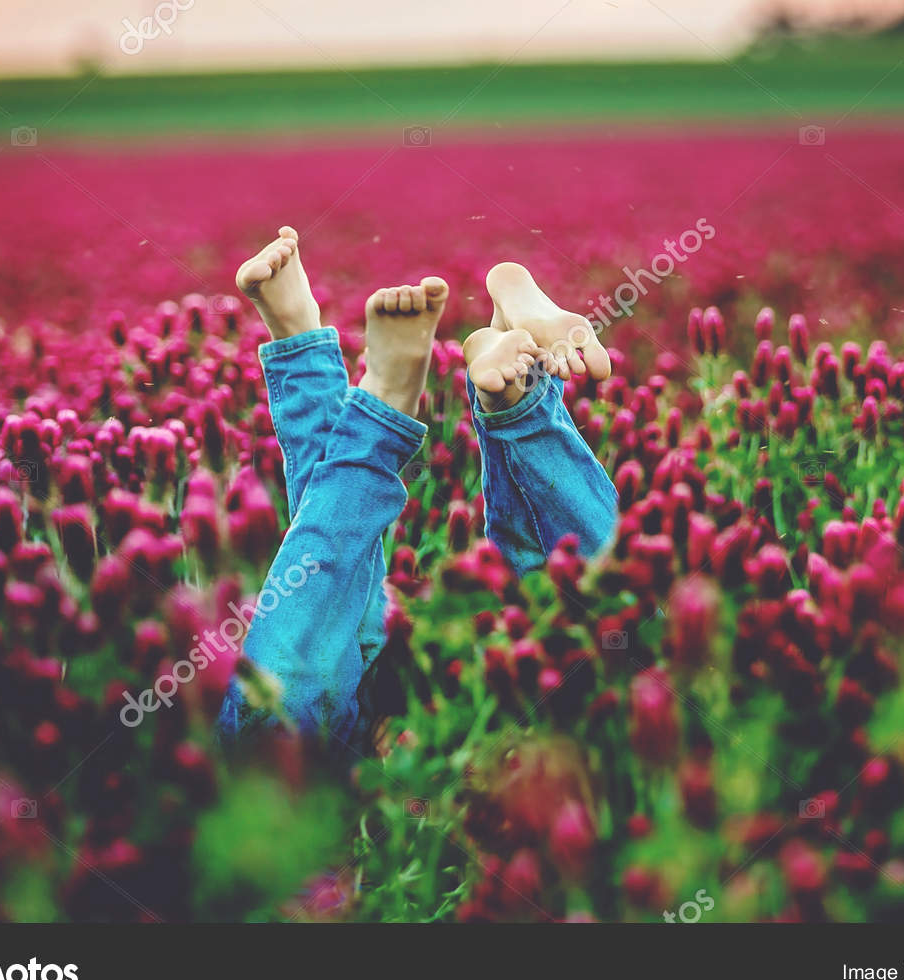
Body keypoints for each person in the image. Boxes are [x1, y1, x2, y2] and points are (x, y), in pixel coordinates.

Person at [216, 227, 619, 754]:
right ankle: (517, 405)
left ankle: (370, 390)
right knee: (620, 653)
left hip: (383, 733)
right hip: (493, 710)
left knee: (272, 738)